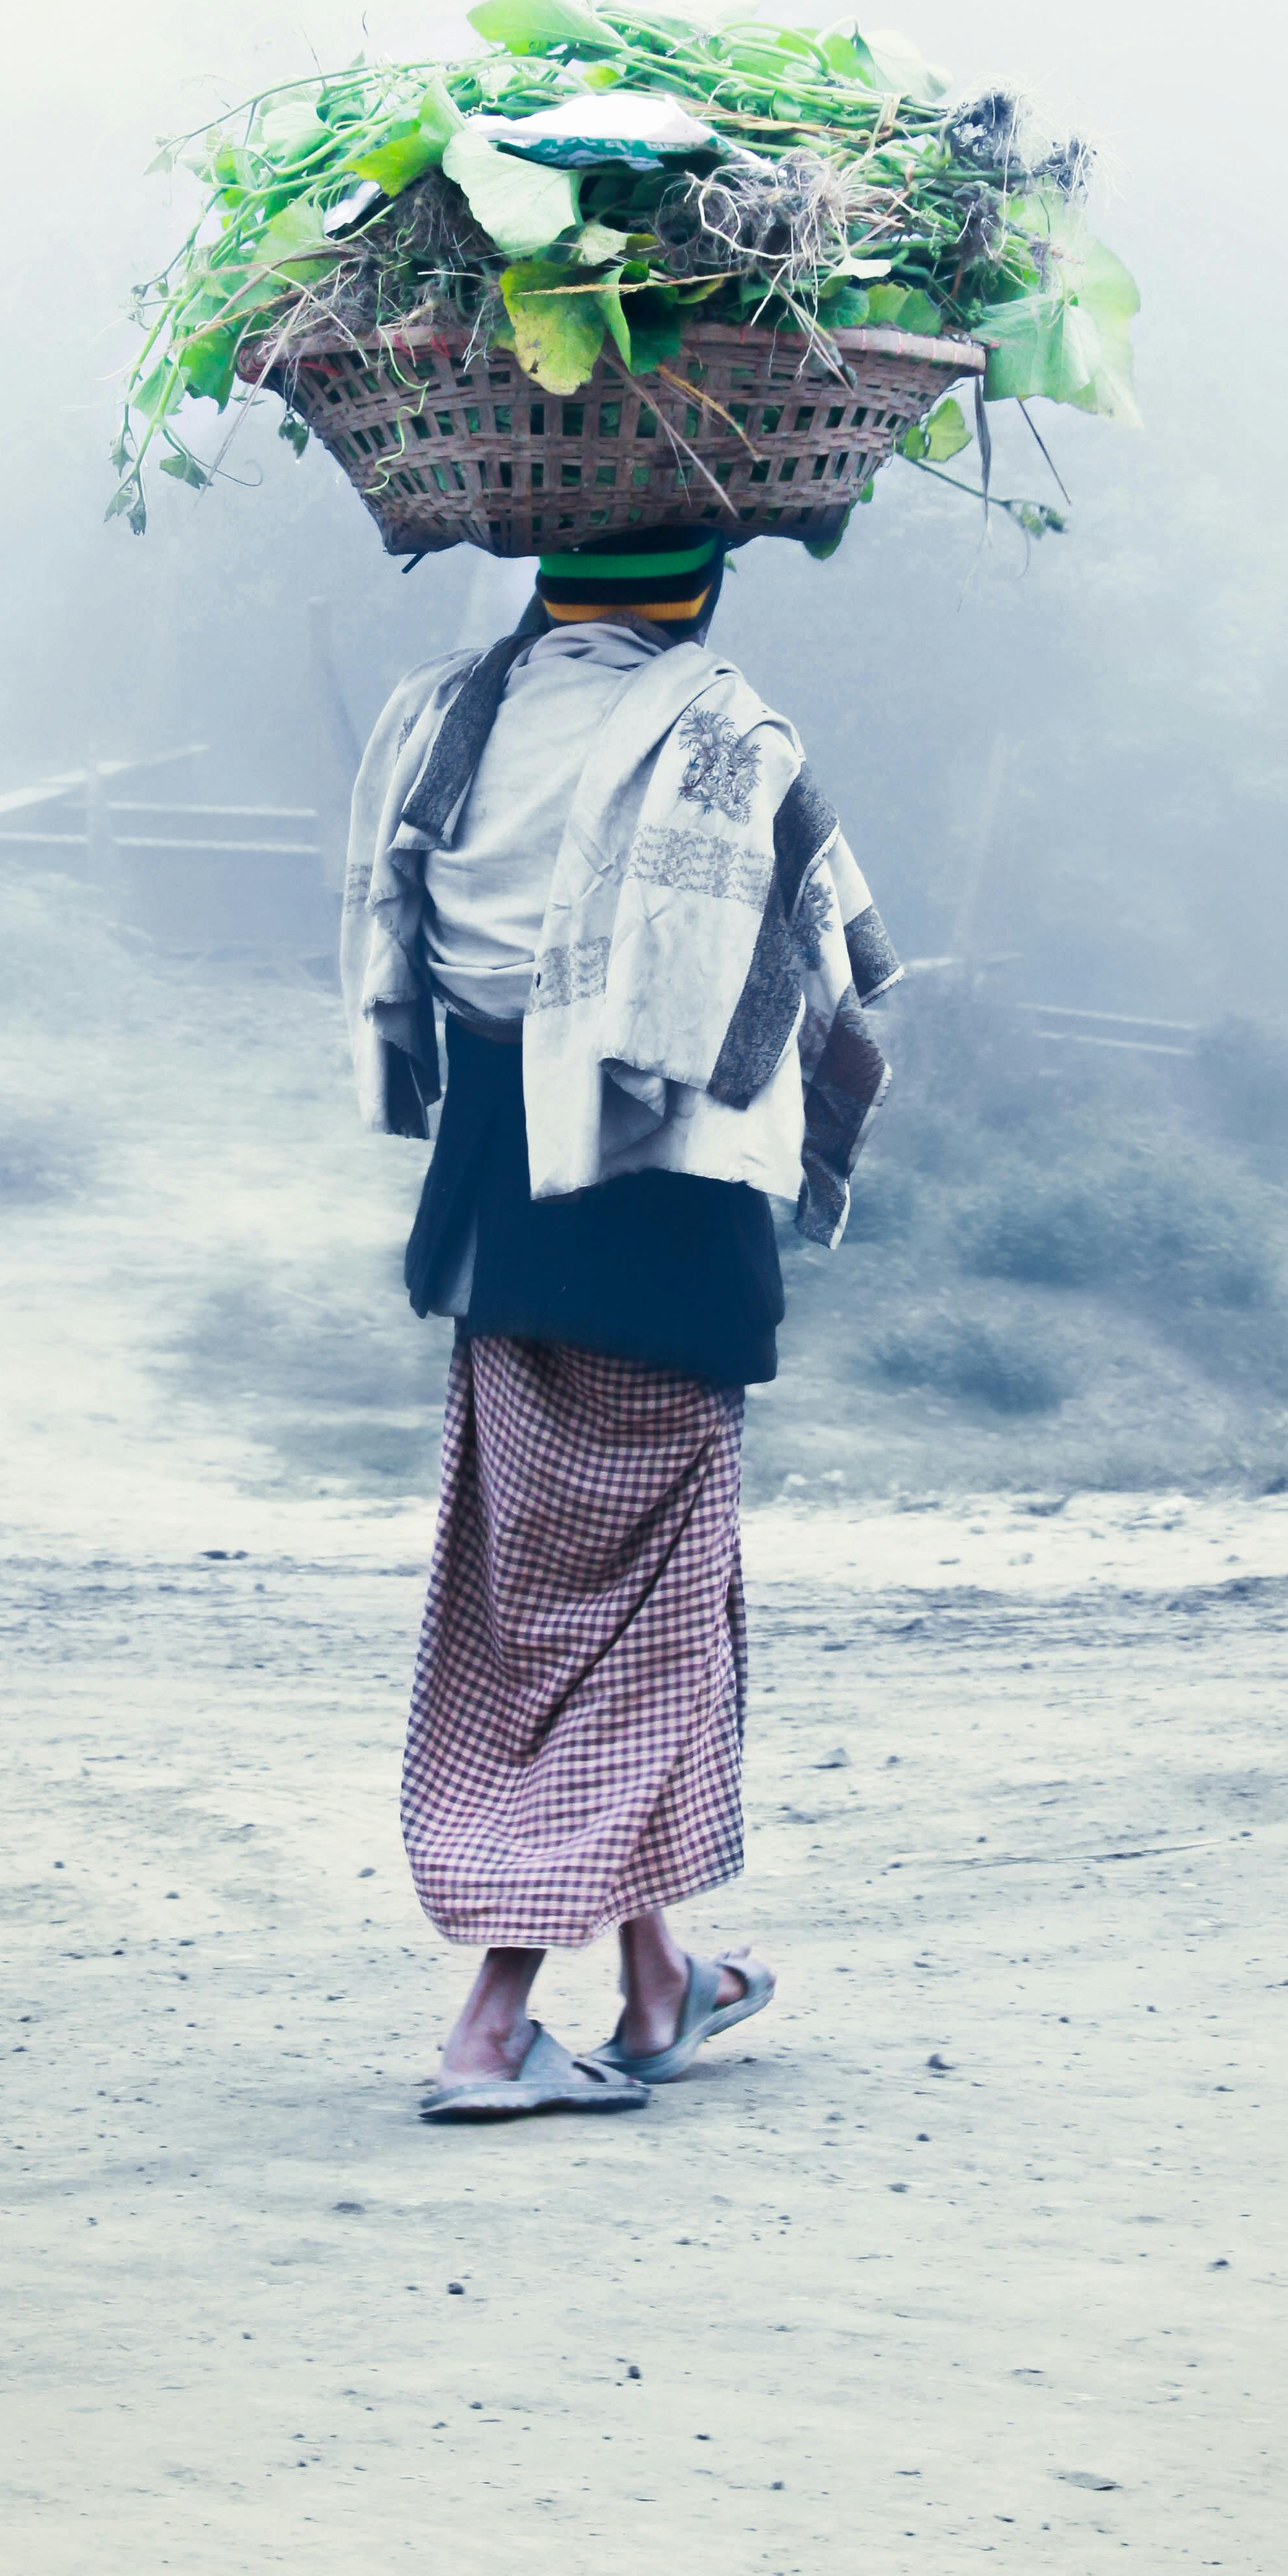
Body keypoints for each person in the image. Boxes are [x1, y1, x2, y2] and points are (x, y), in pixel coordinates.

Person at [342, 524, 899, 2121]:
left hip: (497, 1219)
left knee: (557, 1602)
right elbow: (825, 979)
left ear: (546, 572)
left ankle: (662, 1984)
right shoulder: (731, 737)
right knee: (635, 1632)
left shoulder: (446, 717)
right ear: (702, 586)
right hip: (660, 1227)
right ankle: (492, 2022)